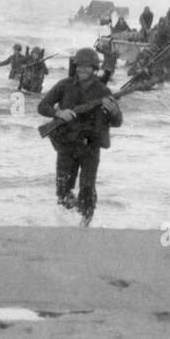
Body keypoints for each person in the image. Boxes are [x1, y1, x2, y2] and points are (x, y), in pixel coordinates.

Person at [37, 48, 122, 227]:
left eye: (87, 66)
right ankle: (71, 216)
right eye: (79, 66)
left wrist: (114, 111)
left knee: (87, 188)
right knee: (62, 191)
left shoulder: (102, 90)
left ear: (94, 68)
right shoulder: (64, 85)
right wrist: (59, 113)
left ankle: (85, 223)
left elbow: (117, 122)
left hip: (90, 147)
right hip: (66, 145)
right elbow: (42, 106)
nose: (82, 69)